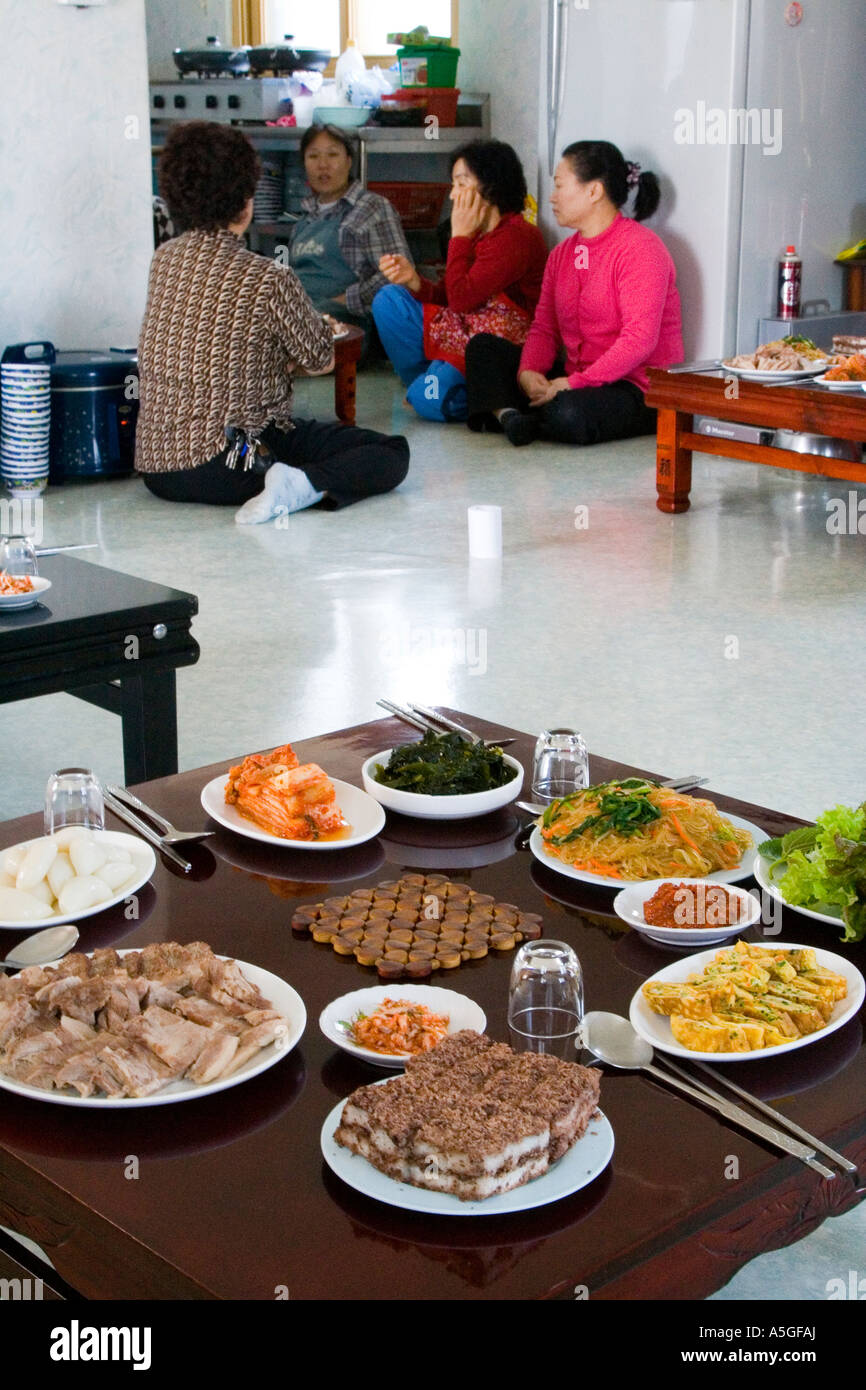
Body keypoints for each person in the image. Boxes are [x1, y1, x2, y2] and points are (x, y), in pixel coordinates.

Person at [135, 122, 409, 524]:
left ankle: (288, 479)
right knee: (391, 453)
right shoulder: (268, 276)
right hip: (234, 462)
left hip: (157, 469)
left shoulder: (165, 260)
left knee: (276, 429)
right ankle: (300, 485)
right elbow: (320, 358)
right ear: (246, 203)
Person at [465, 140, 683, 446]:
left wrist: (573, 384)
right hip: (576, 379)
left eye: (559, 186)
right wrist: (529, 373)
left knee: (569, 412)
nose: (551, 198)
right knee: (483, 349)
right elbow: (544, 328)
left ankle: (511, 414)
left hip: (634, 389)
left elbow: (639, 340)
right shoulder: (562, 255)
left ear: (593, 191)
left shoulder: (641, 249)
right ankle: (513, 416)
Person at [372, 139, 548, 422]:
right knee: (389, 299)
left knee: (428, 401)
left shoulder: (517, 236)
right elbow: (452, 295)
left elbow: (461, 298)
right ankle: (426, 380)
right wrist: (414, 281)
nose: (453, 195)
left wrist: (459, 237)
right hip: (461, 328)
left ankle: (440, 388)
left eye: (461, 183)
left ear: (491, 187)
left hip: (492, 347)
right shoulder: (480, 232)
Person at [287, 124, 410, 332]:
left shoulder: (371, 208)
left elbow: (399, 275)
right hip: (299, 317)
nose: (323, 165)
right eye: (313, 156)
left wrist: (342, 301)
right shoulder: (303, 222)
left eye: (333, 154)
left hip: (350, 323)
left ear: (348, 162)